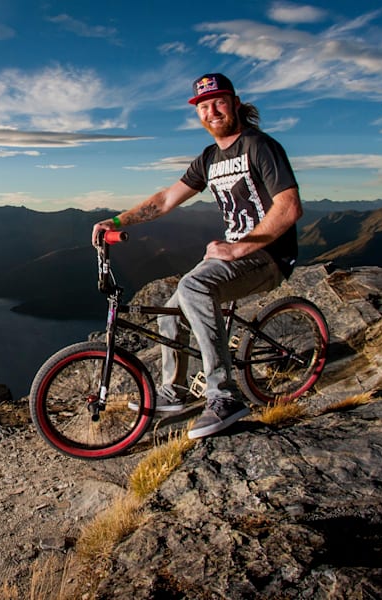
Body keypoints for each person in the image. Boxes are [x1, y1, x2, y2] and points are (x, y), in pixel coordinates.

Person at [91, 73, 302, 440]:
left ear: (235, 104)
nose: (212, 111)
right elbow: (165, 199)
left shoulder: (260, 146)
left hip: (267, 256)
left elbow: (289, 207)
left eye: (219, 102)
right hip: (234, 256)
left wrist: (237, 247)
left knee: (192, 288)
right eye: (204, 106)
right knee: (171, 315)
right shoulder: (209, 158)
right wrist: (114, 220)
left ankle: (223, 396)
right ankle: (174, 394)